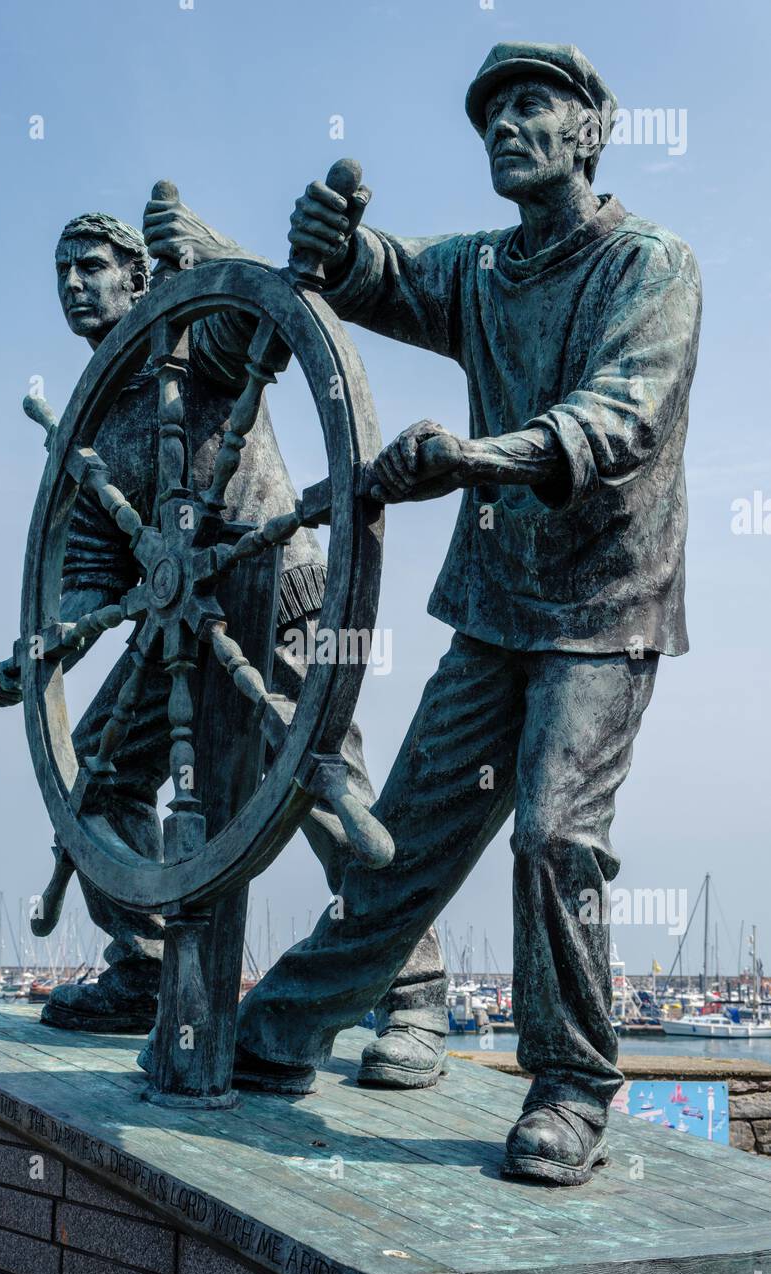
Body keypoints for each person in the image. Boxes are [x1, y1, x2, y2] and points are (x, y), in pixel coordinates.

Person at [204, 42, 702, 1184]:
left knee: (552, 832)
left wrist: (476, 456)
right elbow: (386, 273)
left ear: (591, 129)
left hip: (602, 607)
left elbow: (617, 420)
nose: (505, 127)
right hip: (495, 602)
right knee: (412, 827)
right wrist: (335, 249)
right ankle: (283, 1025)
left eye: (533, 105)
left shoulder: (649, 265)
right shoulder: (481, 269)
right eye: (489, 114)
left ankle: (570, 1081)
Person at [0, 208, 450, 1087]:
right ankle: (149, 966)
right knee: (100, 776)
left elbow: (266, 307)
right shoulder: (93, 429)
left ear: (139, 277)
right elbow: (85, 581)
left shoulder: (200, 346)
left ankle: (417, 997)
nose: (75, 284)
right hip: (178, 628)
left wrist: (209, 248)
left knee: (322, 786)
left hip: (277, 598)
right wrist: (33, 656)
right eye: (62, 273)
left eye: (91, 266)